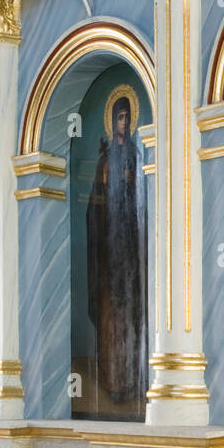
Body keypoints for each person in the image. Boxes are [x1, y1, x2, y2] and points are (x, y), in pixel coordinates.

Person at [85, 95, 147, 407]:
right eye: (118, 117)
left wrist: (130, 181)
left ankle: (131, 379)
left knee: (131, 313)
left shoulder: (135, 155)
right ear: (112, 122)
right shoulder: (105, 158)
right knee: (112, 316)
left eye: (126, 117)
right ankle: (113, 380)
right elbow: (93, 206)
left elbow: (143, 202)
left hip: (130, 249)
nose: (123, 122)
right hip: (110, 248)